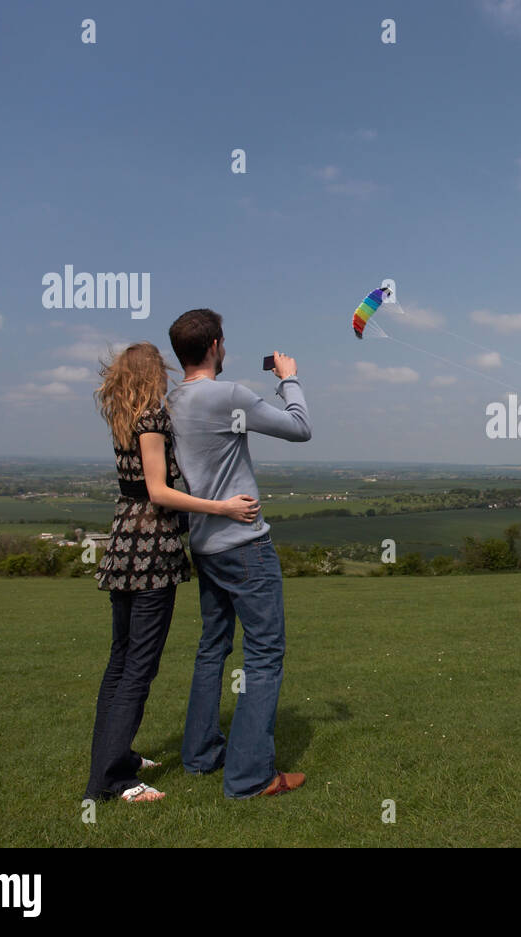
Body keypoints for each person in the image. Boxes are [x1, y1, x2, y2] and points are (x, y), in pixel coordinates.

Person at [86, 342, 260, 804]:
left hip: (124, 543)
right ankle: (112, 780)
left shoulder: (123, 417)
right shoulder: (150, 420)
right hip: (150, 552)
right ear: (152, 375)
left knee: (121, 660)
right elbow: (159, 492)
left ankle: (111, 760)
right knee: (138, 667)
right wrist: (221, 507)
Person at [165, 309, 313, 799]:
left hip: (205, 544)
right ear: (214, 346)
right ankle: (250, 776)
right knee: (265, 652)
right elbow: (299, 428)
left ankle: (200, 755)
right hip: (245, 543)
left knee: (212, 648)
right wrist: (289, 379)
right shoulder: (227, 395)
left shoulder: (174, 400)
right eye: (223, 342)